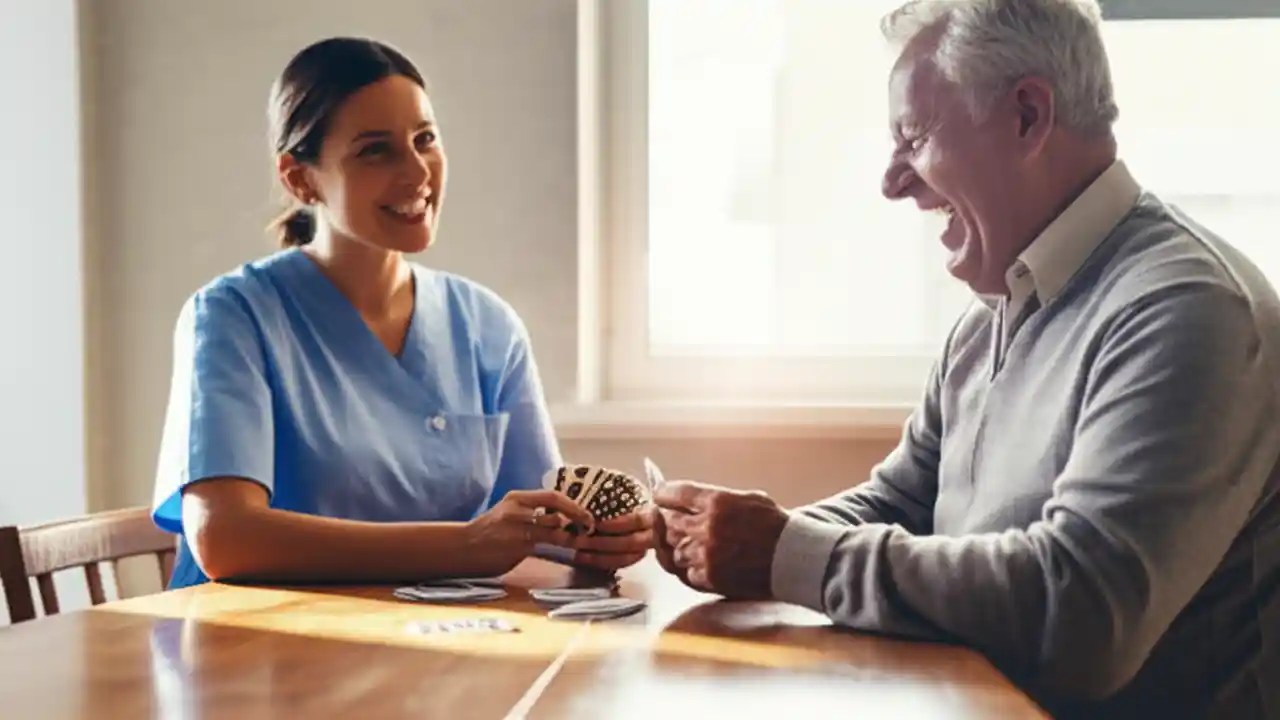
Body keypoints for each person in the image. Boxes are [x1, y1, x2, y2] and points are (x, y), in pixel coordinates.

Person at [650, 1, 1279, 717]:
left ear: (1027, 116)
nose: (894, 181)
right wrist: (727, 538)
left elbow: (1082, 616)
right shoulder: (993, 316)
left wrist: (782, 554)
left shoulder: (1187, 310)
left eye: (912, 137)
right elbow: (902, 506)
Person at [151, 37, 652, 590]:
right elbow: (226, 538)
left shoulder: (488, 326)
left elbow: (541, 527)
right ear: (299, 178)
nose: (418, 173)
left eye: (425, 140)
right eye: (375, 150)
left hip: (426, 648)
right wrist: (465, 545)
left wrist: (605, 537)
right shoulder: (232, 317)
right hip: (253, 656)